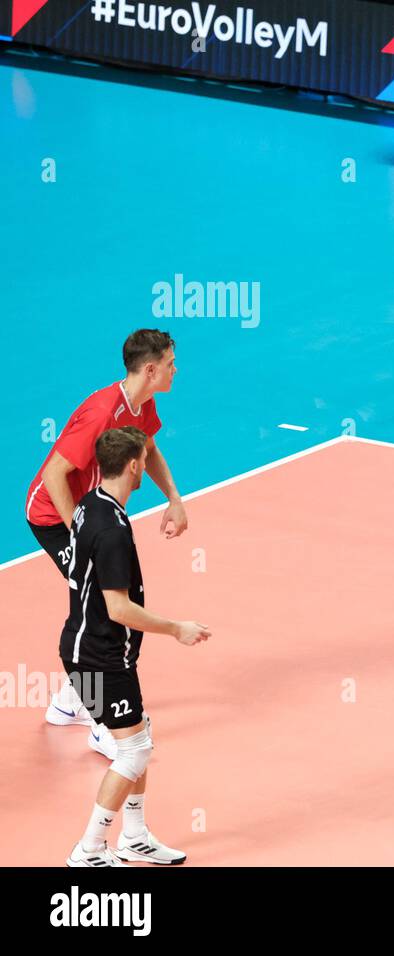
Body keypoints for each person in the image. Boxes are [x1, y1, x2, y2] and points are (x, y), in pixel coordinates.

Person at [26, 329, 188, 762]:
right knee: (103, 606)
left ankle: (67, 702)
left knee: (94, 603)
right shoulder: (101, 413)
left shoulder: (142, 404)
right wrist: (80, 532)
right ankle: (103, 722)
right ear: (151, 369)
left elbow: (148, 448)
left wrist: (174, 498)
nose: (176, 369)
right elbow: (53, 476)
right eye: (172, 363)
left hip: (86, 517)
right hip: (54, 517)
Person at [62, 427, 211, 867]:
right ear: (132, 465)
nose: (147, 465)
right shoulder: (111, 530)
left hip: (82, 650)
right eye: (144, 459)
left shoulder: (90, 506)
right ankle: (89, 849)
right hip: (100, 658)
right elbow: (120, 608)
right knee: (133, 750)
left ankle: (135, 836)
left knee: (138, 733)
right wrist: (176, 628)